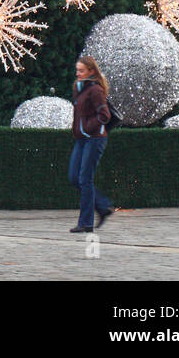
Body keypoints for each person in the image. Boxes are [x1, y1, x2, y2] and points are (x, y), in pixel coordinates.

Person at [69, 55, 114, 233]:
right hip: (82, 139)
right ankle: (103, 207)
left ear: (91, 71)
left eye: (81, 70)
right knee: (74, 177)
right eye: (77, 70)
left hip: (95, 138)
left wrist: (88, 127)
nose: (77, 73)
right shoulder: (79, 88)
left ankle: (86, 222)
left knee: (85, 179)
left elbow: (105, 115)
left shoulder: (95, 90)